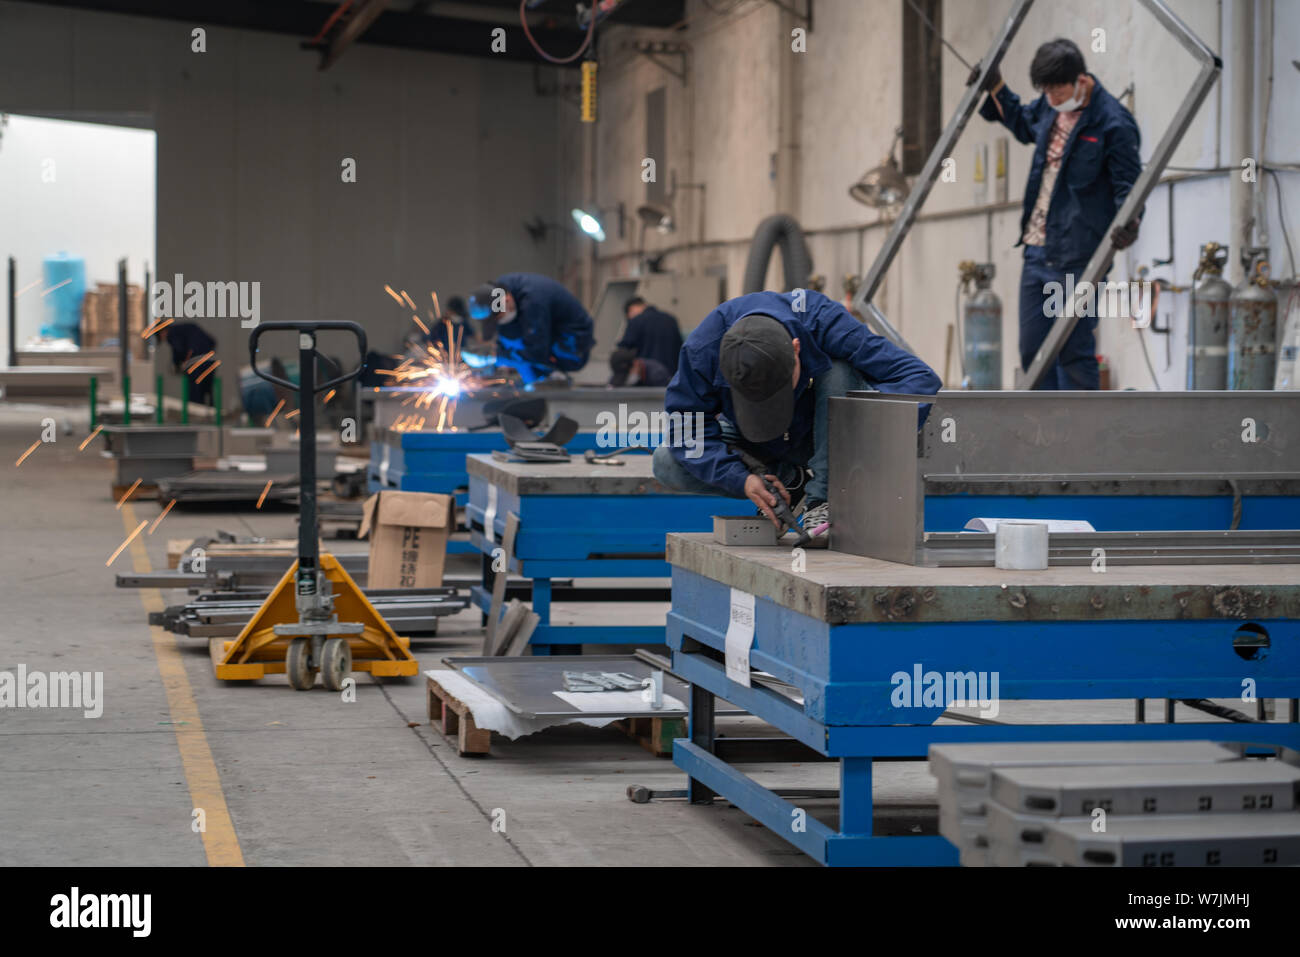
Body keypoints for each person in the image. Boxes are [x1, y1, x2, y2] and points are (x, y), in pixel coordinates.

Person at [652, 290, 941, 532]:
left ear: (795, 348)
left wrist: (868, 437)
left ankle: (823, 498)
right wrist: (740, 478)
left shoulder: (824, 320)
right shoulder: (702, 351)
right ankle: (791, 481)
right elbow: (687, 430)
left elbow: (919, 380)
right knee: (666, 462)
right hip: (758, 443)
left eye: (778, 392)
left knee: (839, 370)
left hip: (825, 439)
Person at [976, 37, 1142, 389]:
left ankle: (1079, 440)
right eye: (1046, 91)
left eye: (1057, 90)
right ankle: (1045, 437)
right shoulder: (1051, 109)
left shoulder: (1113, 124)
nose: (1051, 99)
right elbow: (1024, 123)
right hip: (1037, 254)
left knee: (1072, 352)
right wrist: (996, 88)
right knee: (1033, 352)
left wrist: (1131, 223)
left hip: (1078, 260)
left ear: (1080, 79)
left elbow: (1130, 187)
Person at [466, 273, 595, 384]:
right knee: (513, 345)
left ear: (507, 300)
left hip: (574, 341)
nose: (499, 321)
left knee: (528, 354)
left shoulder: (533, 302)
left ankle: (552, 377)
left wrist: (496, 357)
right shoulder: (497, 291)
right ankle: (536, 382)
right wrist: (491, 362)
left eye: (498, 317)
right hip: (546, 330)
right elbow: (507, 344)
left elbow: (536, 351)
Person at [617, 296, 683, 375]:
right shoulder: (671, 319)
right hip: (671, 375)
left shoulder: (636, 321)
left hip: (648, 377)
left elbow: (624, 351)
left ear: (631, 309)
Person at [159, 321, 217, 405]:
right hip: (210, 360)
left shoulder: (172, 333)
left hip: (195, 363)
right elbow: (213, 342)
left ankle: (196, 414)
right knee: (207, 390)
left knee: (195, 394)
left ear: (163, 332)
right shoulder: (188, 328)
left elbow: (178, 350)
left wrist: (177, 364)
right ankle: (212, 414)